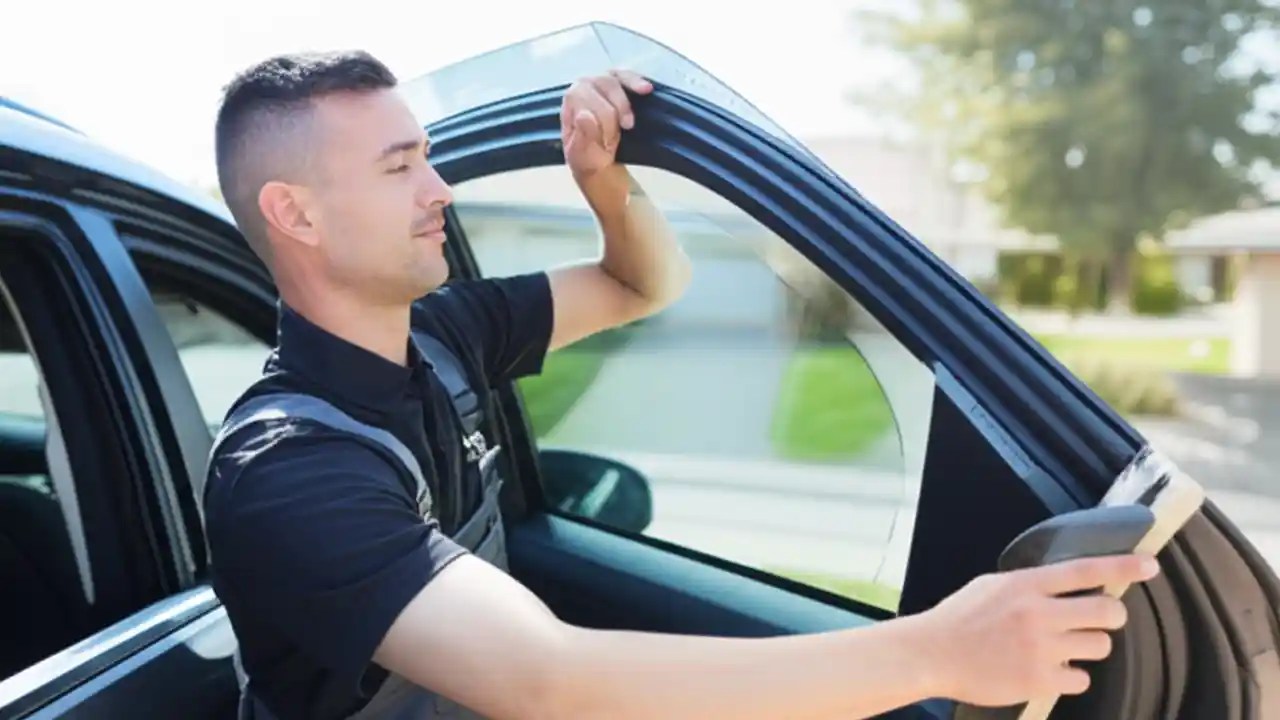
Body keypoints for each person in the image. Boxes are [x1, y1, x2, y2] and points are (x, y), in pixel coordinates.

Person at [203, 49, 1161, 720]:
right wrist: (939, 652)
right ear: (297, 213)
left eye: (428, 157)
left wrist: (601, 177)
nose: (439, 188)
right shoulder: (288, 471)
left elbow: (642, 283)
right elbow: (546, 683)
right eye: (401, 165)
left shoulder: (449, 333)